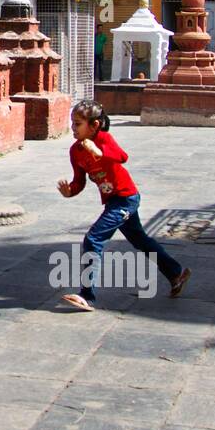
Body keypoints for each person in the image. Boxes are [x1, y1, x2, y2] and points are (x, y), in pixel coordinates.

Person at [56, 100, 190, 311]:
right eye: (72, 123)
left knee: (93, 239)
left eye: (78, 123)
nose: (73, 128)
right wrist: (69, 191)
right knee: (141, 240)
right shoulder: (76, 151)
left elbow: (122, 157)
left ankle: (87, 295)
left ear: (95, 125)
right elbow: (79, 181)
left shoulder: (103, 139)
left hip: (125, 198)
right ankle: (175, 273)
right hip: (112, 200)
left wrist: (99, 152)